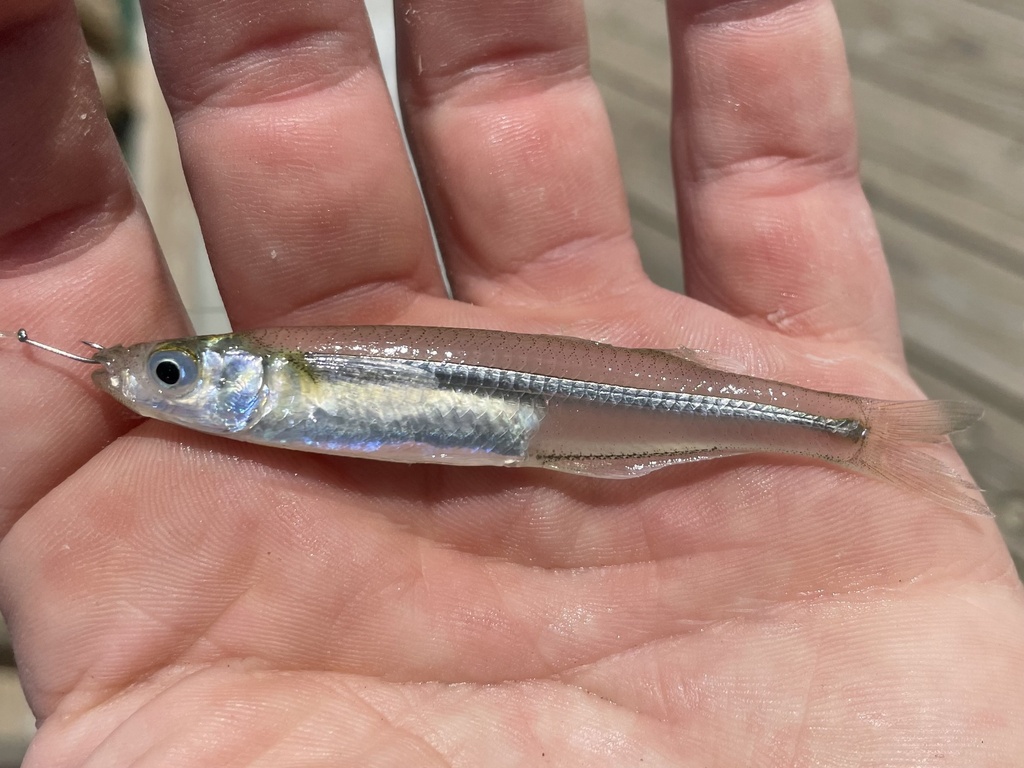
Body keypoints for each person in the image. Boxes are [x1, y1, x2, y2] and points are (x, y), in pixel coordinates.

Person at [1, 0, 1022, 764]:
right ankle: (857, 433)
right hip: (552, 413)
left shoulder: (283, 387)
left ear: (256, 378)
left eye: (172, 373)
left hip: (582, 405)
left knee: (700, 415)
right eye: (169, 374)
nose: (156, 384)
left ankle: (857, 432)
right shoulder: (265, 403)